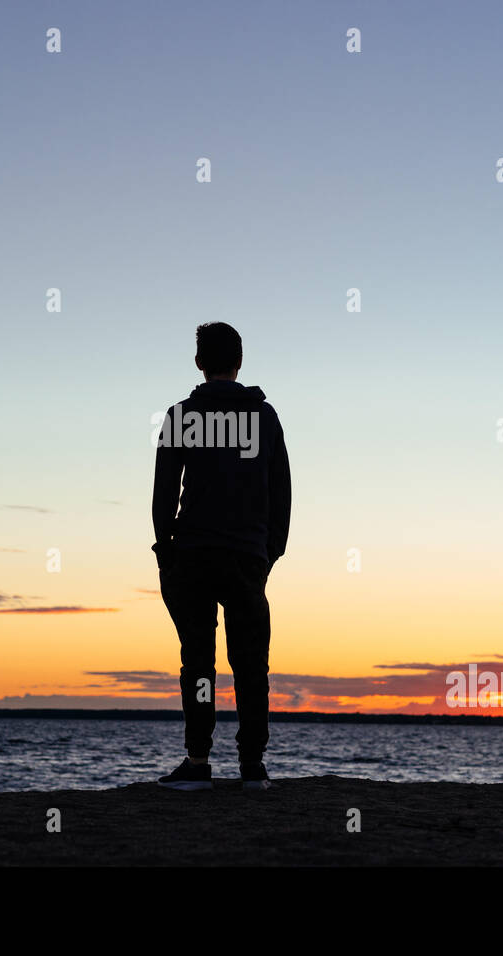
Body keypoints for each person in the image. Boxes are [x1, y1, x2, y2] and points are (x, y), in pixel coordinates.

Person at [151, 322, 291, 791]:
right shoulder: (264, 418)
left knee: (198, 664)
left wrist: (163, 550)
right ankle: (252, 765)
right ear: (240, 361)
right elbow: (282, 494)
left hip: (193, 554)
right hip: (246, 556)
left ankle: (197, 761)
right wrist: (270, 552)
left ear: (198, 363)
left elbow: (164, 493)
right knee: (251, 665)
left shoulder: (181, 416)